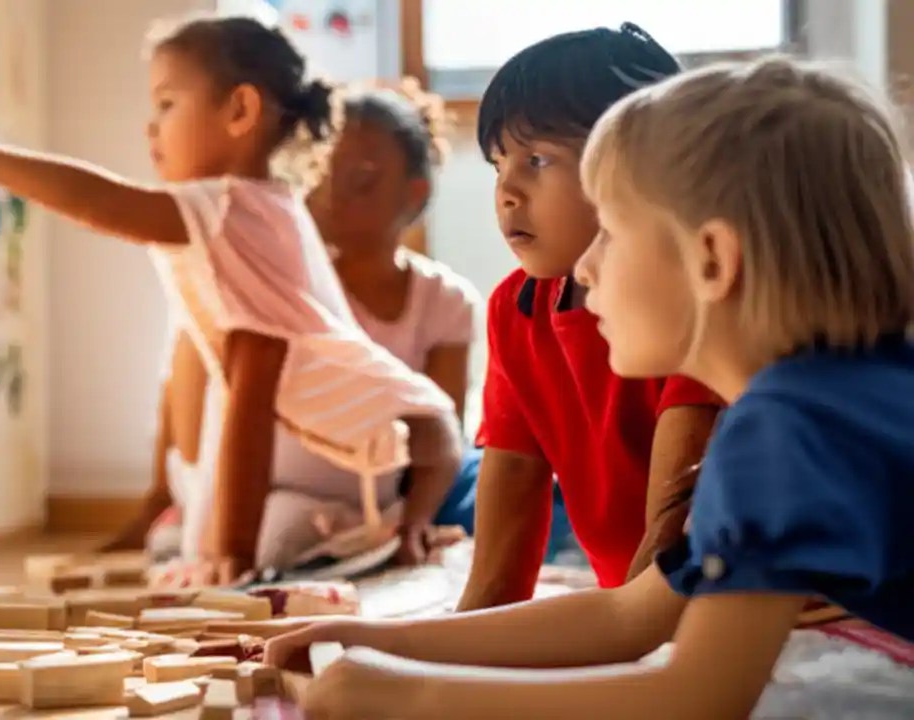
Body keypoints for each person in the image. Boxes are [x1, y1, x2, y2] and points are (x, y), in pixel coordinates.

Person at [264, 55, 914, 720]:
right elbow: (631, 614)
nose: (588, 266)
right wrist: (379, 639)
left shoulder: (783, 430)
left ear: (713, 261)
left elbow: (695, 695)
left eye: (612, 231)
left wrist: (410, 698)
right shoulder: (832, 398)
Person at [0, 13, 460, 582]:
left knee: (412, 445)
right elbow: (244, 398)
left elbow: (96, 201)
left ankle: (401, 531)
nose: (150, 127)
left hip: (379, 412)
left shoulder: (232, 208)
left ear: (240, 111)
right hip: (366, 417)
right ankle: (390, 530)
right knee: (225, 522)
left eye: (167, 104)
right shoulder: (263, 208)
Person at [105, 82, 482, 570]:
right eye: (322, 175)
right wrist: (165, 490)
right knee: (278, 539)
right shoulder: (277, 279)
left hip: (370, 502)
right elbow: (197, 386)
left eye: (362, 179)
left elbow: (437, 434)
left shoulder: (444, 300)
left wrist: (416, 522)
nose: (332, 195)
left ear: (415, 194)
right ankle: (178, 512)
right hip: (260, 498)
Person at [455, 24, 723, 611]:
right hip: (623, 617)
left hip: (689, 618)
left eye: (537, 158)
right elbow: (496, 583)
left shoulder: (696, 298)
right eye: (497, 164)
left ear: (641, 165)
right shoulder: (516, 309)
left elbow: (661, 576)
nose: (506, 191)